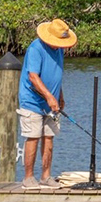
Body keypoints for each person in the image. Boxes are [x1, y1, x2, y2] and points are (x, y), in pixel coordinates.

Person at [17, 18, 77, 189]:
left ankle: (46, 176)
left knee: (49, 137)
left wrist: (59, 96)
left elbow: (56, 75)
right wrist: (50, 97)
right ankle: (28, 178)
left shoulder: (59, 51)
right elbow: (33, 77)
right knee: (33, 137)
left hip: (52, 102)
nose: (60, 45)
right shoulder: (36, 48)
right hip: (32, 101)